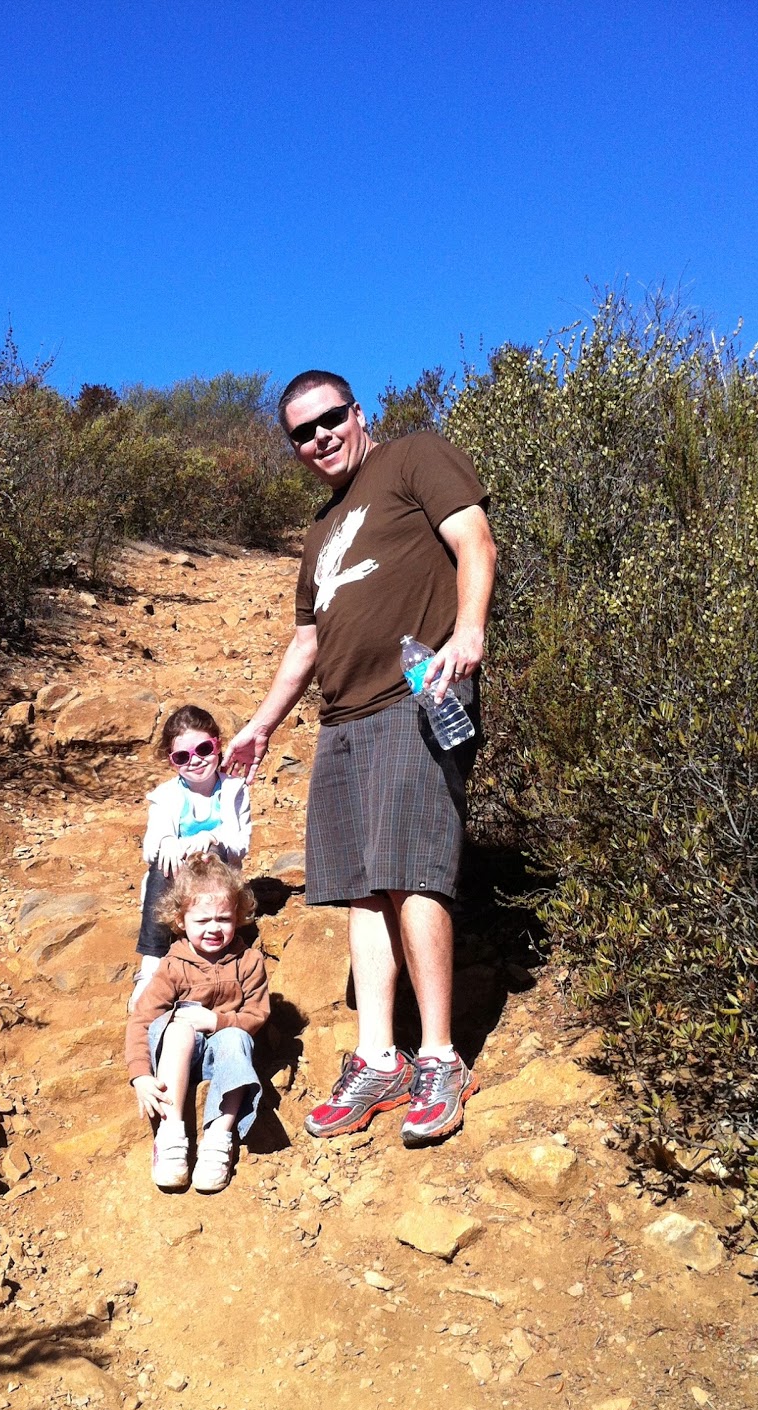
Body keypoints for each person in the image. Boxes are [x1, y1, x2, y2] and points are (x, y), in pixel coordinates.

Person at [224, 370, 496, 1146]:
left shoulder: (414, 456)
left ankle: (439, 1057)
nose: (318, 439)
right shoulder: (319, 530)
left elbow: (472, 537)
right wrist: (262, 725)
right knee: (362, 890)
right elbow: (306, 642)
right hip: (343, 718)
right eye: (301, 433)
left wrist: (469, 629)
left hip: (417, 693)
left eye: (329, 420)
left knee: (413, 868)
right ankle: (379, 1059)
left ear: (357, 412)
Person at [125, 855, 269, 1192]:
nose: (214, 928)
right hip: (182, 1052)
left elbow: (257, 1015)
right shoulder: (173, 965)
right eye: (202, 920)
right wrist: (140, 1074)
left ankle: (219, 1137)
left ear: (239, 916)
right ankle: (171, 1133)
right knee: (177, 1027)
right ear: (181, 920)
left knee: (234, 1036)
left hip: (226, 1051)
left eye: (224, 918)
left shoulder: (249, 961)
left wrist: (217, 1021)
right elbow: (142, 1020)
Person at [129, 705, 251, 1011]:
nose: (195, 760)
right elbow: (151, 847)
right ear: (172, 761)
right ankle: (151, 963)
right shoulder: (166, 796)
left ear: (217, 744)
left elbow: (240, 845)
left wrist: (212, 838)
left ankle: (214, 946)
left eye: (203, 749)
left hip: (218, 880)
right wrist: (168, 842)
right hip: (178, 884)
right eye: (182, 756)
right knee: (163, 858)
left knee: (208, 852)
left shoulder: (234, 790)